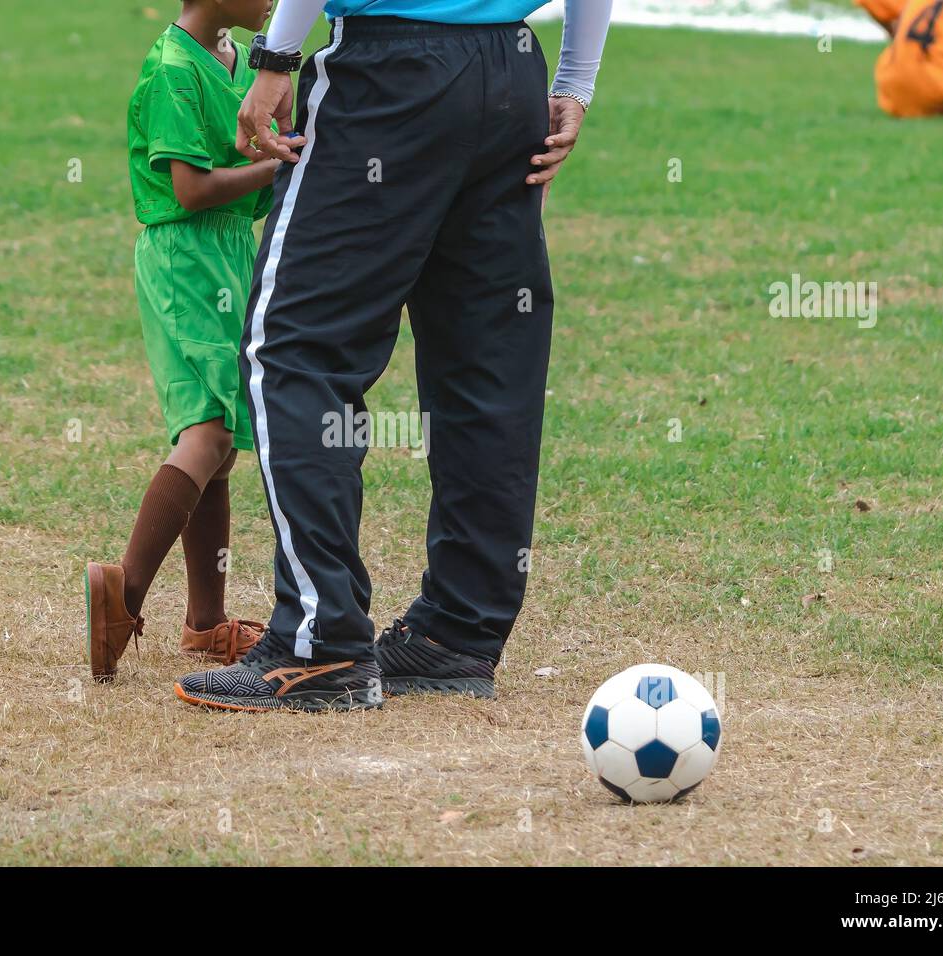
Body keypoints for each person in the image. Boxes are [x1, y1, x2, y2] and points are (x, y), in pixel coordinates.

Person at [173, 0, 613, 712]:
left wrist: (277, 59)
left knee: (294, 349)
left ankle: (320, 647)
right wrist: (575, 79)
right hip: (510, 75)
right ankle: (456, 634)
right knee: (488, 359)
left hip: (387, 75)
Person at [85, 0, 306, 682]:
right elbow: (189, 190)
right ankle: (121, 597)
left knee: (219, 444)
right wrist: (280, 167)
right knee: (207, 431)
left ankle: (205, 624)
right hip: (185, 261)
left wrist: (283, 144)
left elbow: (245, 189)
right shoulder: (172, 71)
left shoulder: (238, 60)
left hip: (231, 254)